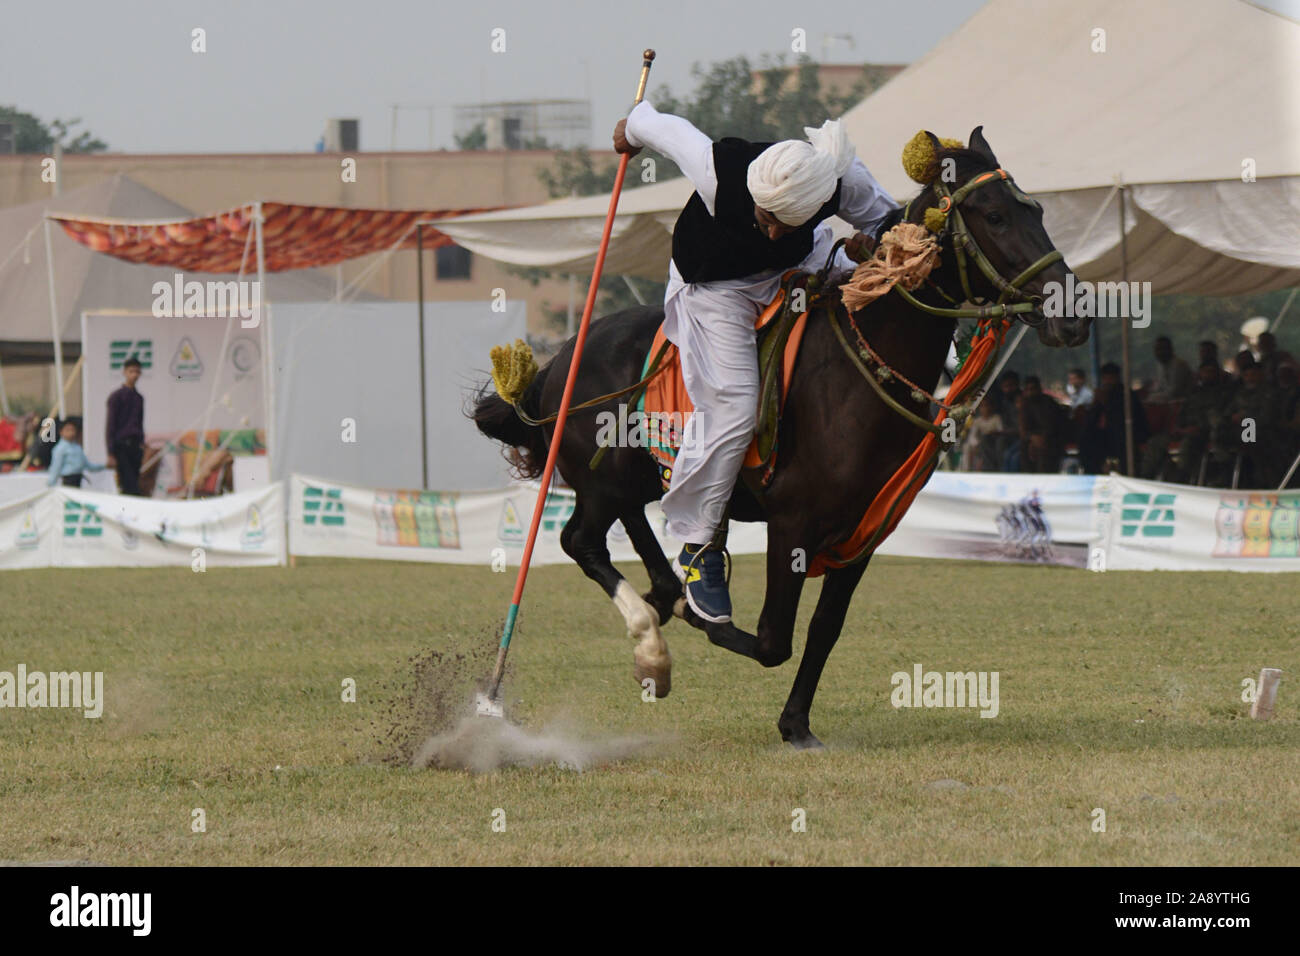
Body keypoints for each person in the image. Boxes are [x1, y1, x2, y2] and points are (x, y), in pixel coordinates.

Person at [612, 101, 896, 623]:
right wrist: (631, 127)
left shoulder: (839, 180)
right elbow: (669, 129)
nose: (768, 231)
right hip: (714, 288)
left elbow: (888, 219)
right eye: (765, 218)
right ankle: (698, 545)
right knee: (737, 407)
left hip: (799, 269)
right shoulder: (720, 172)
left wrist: (871, 242)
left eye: (782, 222)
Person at [106, 356, 145, 495]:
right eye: (131, 371)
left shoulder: (139, 398)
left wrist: (142, 443)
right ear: (125, 372)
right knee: (128, 484)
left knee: (134, 479)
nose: (134, 375)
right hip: (121, 446)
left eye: (137, 372)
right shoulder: (117, 397)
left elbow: (140, 422)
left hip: (135, 447)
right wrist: (110, 452)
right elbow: (111, 425)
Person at [1018, 376, 1066, 473]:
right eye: (1028, 390)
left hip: (1051, 439)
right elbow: (1023, 429)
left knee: (1044, 449)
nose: (1031, 392)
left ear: (1039, 389)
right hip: (1031, 439)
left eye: (1033, 389)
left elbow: (1053, 426)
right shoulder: (1025, 404)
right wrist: (1032, 438)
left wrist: (1039, 438)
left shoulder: (1049, 403)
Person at [46, 420, 107, 488]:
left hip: (78, 479)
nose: (71, 432)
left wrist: (104, 466)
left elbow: (87, 465)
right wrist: (51, 484)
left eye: (73, 430)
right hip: (68, 480)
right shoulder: (60, 449)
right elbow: (56, 468)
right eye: (68, 430)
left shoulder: (77, 447)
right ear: (61, 432)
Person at [1147, 336, 1193, 403]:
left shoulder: (1179, 365)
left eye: (1163, 349)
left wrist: (1153, 398)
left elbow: (1174, 392)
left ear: (1170, 349)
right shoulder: (1161, 365)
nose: (1160, 352)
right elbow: (1160, 387)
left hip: (1182, 404)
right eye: (1157, 349)